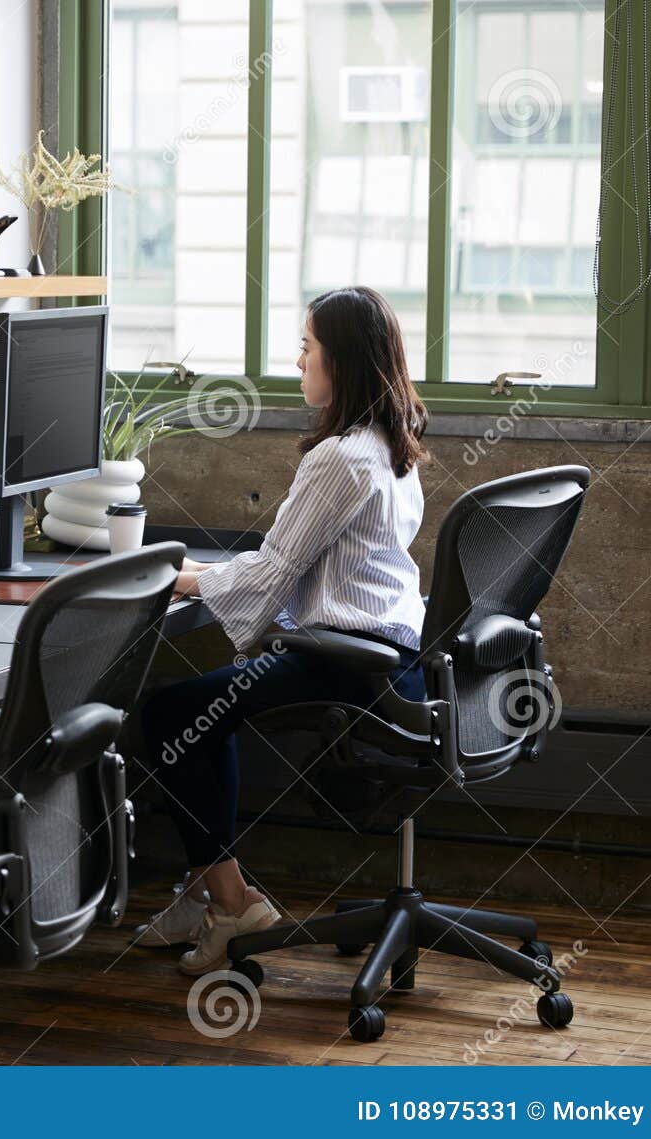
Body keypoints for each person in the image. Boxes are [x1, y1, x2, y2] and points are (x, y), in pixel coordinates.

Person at [135, 286, 431, 975]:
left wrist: (181, 580)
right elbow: (297, 562)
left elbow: (274, 572)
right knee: (205, 714)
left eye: (307, 347)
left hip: (346, 662)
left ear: (342, 361)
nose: (298, 361)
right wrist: (199, 572)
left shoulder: (339, 458)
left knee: (172, 714)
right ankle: (209, 893)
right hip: (394, 656)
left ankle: (232, 904)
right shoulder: (390, 445)